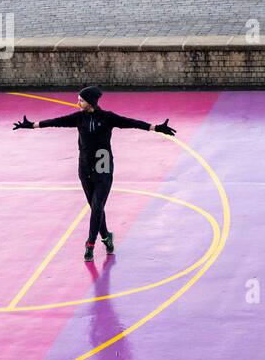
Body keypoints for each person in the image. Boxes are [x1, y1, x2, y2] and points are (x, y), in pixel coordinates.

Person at [13, 86, 176, 262]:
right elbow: (55, 121)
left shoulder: (107, 118)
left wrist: (156, 128)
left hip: (103, 165)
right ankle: (106, 237)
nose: (77, 103)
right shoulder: (78, 118)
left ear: (90, 102)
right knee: (95, 208)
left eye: (81, 100)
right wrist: (32, 125)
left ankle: (90, 244)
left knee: (97, 207)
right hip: (84, 169)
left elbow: (132, 123)